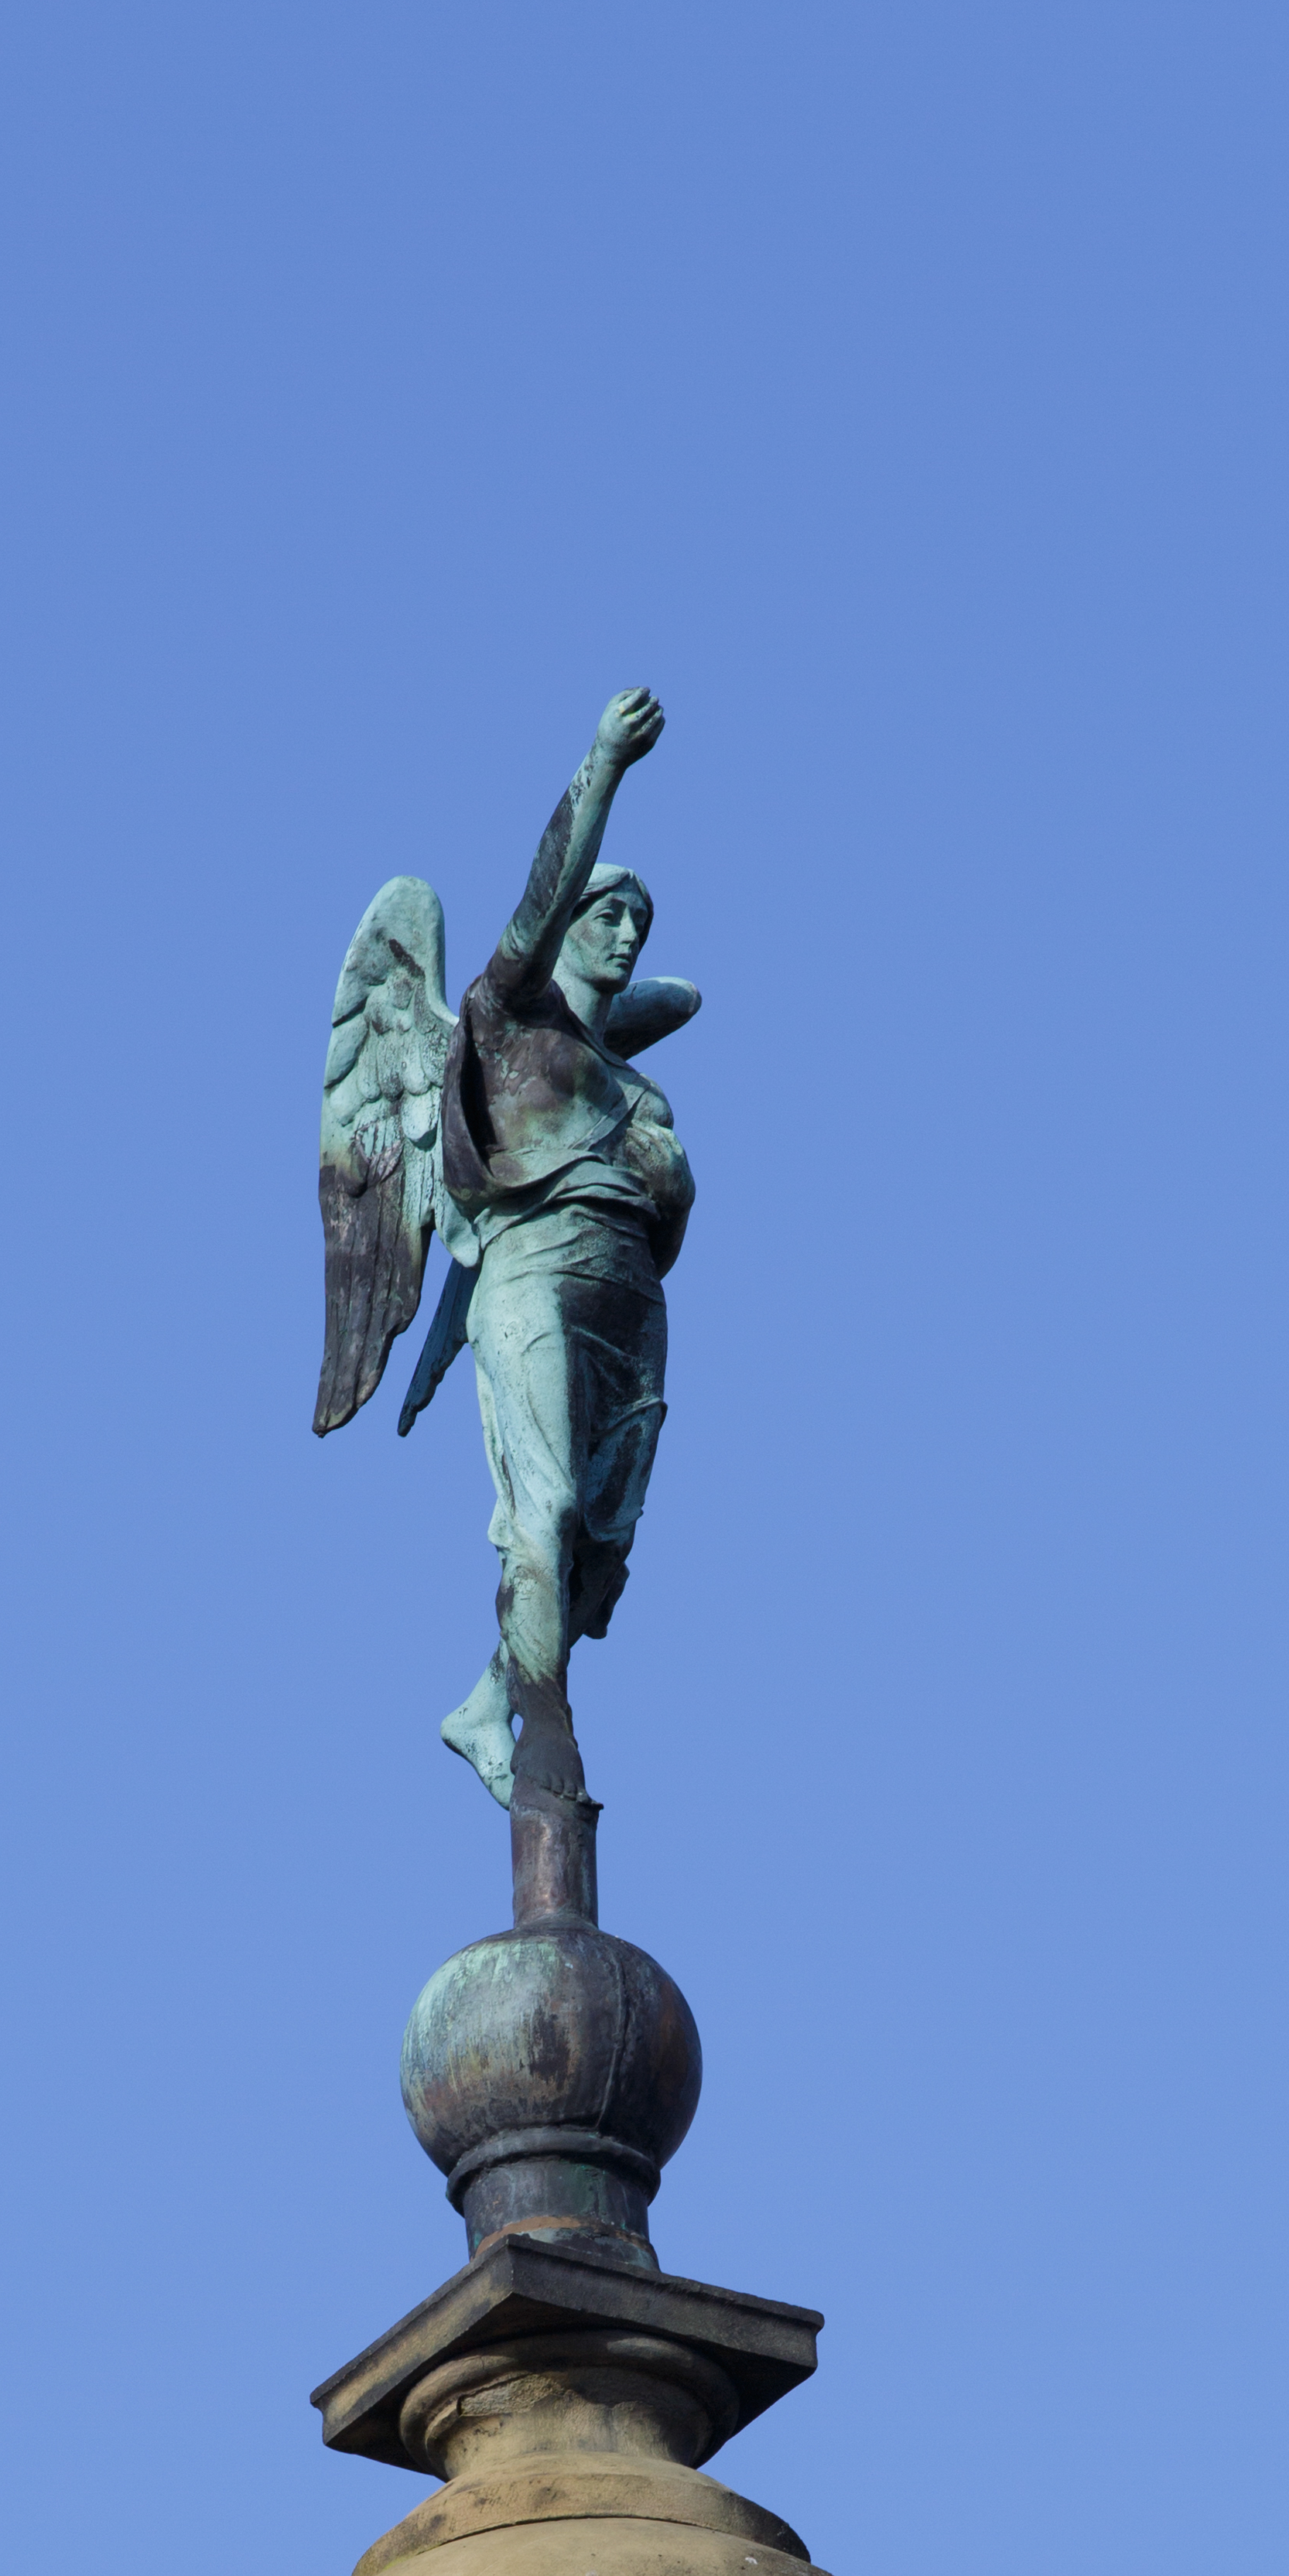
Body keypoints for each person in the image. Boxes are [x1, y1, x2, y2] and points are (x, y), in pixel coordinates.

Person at [433, 688, 698, 1807]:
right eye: (606, 912)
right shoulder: (504, 1013)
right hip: (533, 1272)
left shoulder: (636, 1083)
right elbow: (547, 886)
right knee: (538, 1517)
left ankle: (489, 1698)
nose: (624, 930)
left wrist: (665, 1179)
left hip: (630, 1293)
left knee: (597, 1549)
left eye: (638, 920)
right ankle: (548, 1739)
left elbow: (670, 1212)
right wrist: (603, 764)